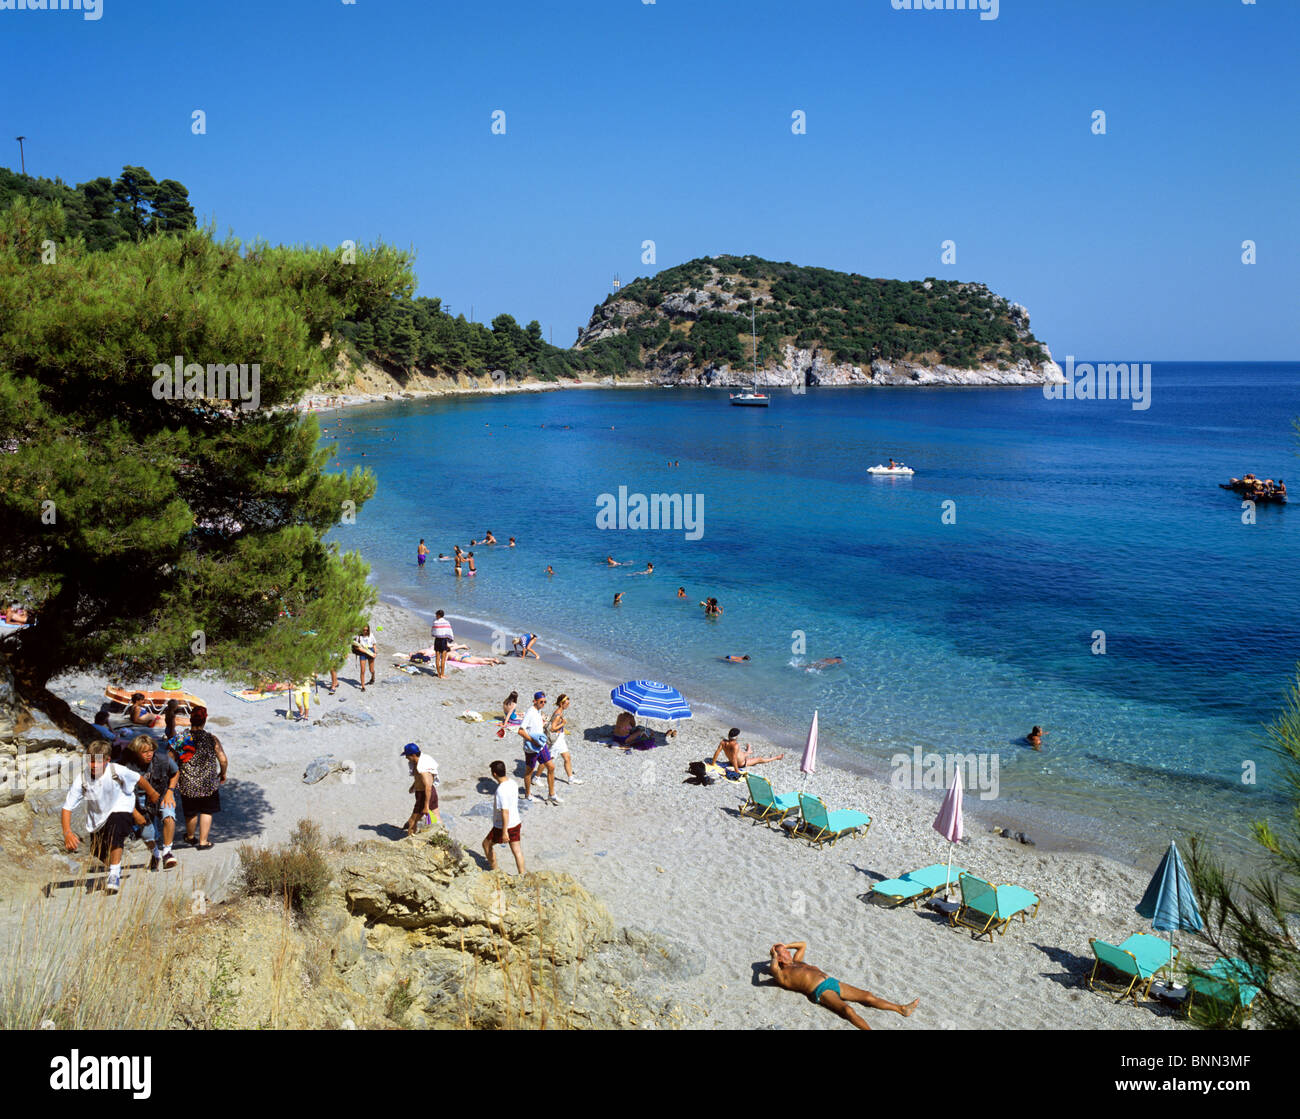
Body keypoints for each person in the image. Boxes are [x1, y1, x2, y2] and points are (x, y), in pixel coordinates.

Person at [767, 941, 918, 1030]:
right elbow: (773, 969)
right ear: (779, 958)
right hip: (821, 991)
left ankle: (901, 1009)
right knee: (848, 1010)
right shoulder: (783, 973)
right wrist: (774, 954)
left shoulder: (797, 961)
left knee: (867, 996)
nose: (787, 951)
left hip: (832, 981)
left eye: (787, 950)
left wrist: (783, 945)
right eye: (784, 952)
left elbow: (802, 945)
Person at [61, 744, 142, 894]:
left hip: (120, 808)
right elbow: (67, 807)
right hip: (98, 819)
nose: (93, 765)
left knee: (115, 832)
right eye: (90, 761)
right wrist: (67, 832)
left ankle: (114, 875)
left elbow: (138, 778)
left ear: (107, 760)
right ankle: (114, 866)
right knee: (98, 851)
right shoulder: (82, 779)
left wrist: (153, 794)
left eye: (97, 761)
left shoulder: (116, 770)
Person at [122, 736, 180, 871]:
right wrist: (134, 812)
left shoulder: (163, 759)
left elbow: (175, 772)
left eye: (151, 750)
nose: (149, 754)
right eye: (144, 752)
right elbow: (121, 791)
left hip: (162, 794)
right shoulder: (126, 766)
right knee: (147, 835)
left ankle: (167, 852)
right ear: (136, 752)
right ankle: (155, 854)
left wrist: (170, 792)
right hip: (138, 801)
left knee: (169, 815)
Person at [176, 706, 228, 850]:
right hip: (208, 782)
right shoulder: (212, 739)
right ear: (204, 720)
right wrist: (223, 773)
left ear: (190, 720)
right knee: (206, 811)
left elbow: (170, 757)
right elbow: (223, 760)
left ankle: (190, 837)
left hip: (188, 782)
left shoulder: (182, 738)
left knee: (190, 811)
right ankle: (203, 841)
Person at [483, 760, 525, 874]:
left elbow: (505, 812)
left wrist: (504, 831)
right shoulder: (513, 783)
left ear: (494, 774)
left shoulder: (501, 790)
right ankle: (522, 875)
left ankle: (495, 871)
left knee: (486, 844)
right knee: (517, 850)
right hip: (516, 821)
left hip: (503, 825)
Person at [519, 691, 561, 804]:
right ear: (535, 701)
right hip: (531, 747)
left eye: (545, 702)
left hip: (541, 746)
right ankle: (528, 794)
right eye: (541, 702)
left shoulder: (538, 711)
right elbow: (520, 731)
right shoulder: (530, 713)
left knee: (551, 767)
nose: (543, 704)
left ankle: (552, 794)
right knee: (529, 771)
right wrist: (533, 741)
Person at [401, 742, 439, 836]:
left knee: (412, 821)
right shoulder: (420, 761)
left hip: (425, 795)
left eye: (407, 755)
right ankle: (441, 836)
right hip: (428, 794)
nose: (406, 758)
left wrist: (426, 806)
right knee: (436, 817)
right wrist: (414, 786)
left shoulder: (422, 768)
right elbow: (421, 780)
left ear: (413, 755)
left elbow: (428, 787)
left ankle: (410, 841)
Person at [547, 694, 583, 785]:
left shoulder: (560, 711)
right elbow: (552, 728)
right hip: (557, 740)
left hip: (560, 738)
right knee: (548, 760)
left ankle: (571, 778)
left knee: (567, 757)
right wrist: (563, 724)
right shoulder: (558, 714)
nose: (568, 705)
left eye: (568, 703)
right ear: (561, 703)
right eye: (566, 704)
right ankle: (536, 777)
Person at [712, 728, 783, 770]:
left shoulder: (723, 742)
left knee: (742, 753)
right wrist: (737, 770)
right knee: (759, 759)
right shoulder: (735, 745)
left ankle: (749, 751)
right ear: (736, 737)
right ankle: (777, 758)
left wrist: (713, 763)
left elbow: (717, 752)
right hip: (741, 763)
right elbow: (734, 758)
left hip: (735, 760)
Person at [430, 609, 455, 678]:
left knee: (437, 658)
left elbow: (433, 632)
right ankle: (442, 674)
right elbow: (449, 632)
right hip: (443, 641)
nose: (436, 616)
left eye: (436, 615)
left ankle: (438, 674)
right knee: (443, 659)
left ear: (438, 615)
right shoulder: (447, 622)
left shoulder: (435, 622)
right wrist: (449, 640)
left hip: (437, 640)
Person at [353, 625, 376, 690]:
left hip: (370, 651)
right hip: (362, 652)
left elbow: (374, 644)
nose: (365, 631)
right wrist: (365, 651)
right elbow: (357, 647)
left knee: (371, 669)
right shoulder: (359, 636)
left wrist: (375, 652)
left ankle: (373, 677)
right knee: (362, 670)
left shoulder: (371, 635)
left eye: (366, 630)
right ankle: (363, 686)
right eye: (364, 630)